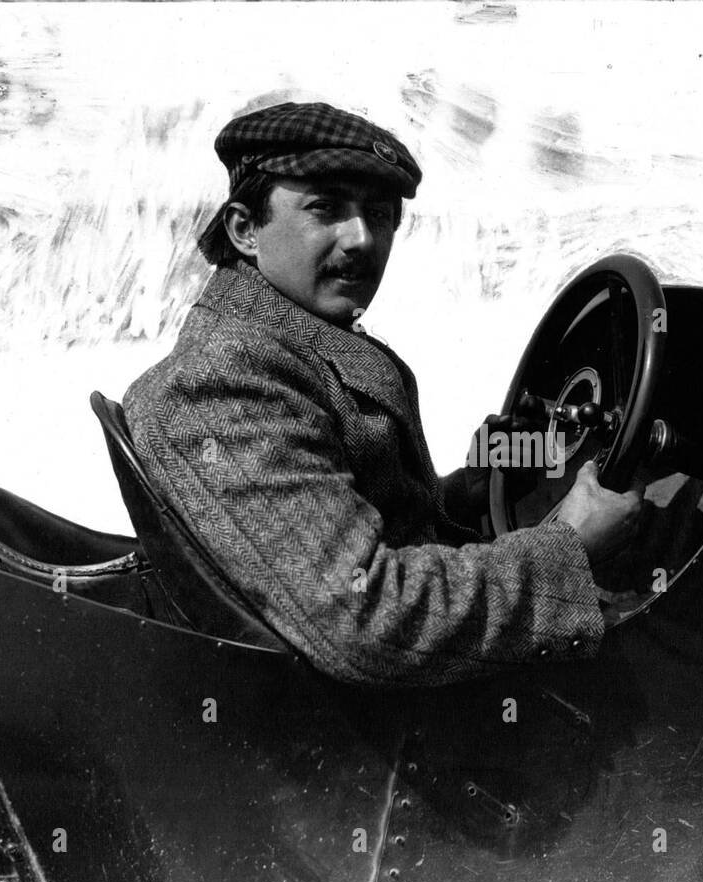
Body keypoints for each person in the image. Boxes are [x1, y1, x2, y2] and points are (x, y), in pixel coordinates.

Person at [124, 100, 642, 687]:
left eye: (378, 213)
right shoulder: (225, 379)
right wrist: (567, 546)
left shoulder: (288, 342)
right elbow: (364, 615)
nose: (361, 239)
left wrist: (468, 491)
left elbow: (357, 526)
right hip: (386, 737)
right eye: (325, 208)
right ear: (245, 230)